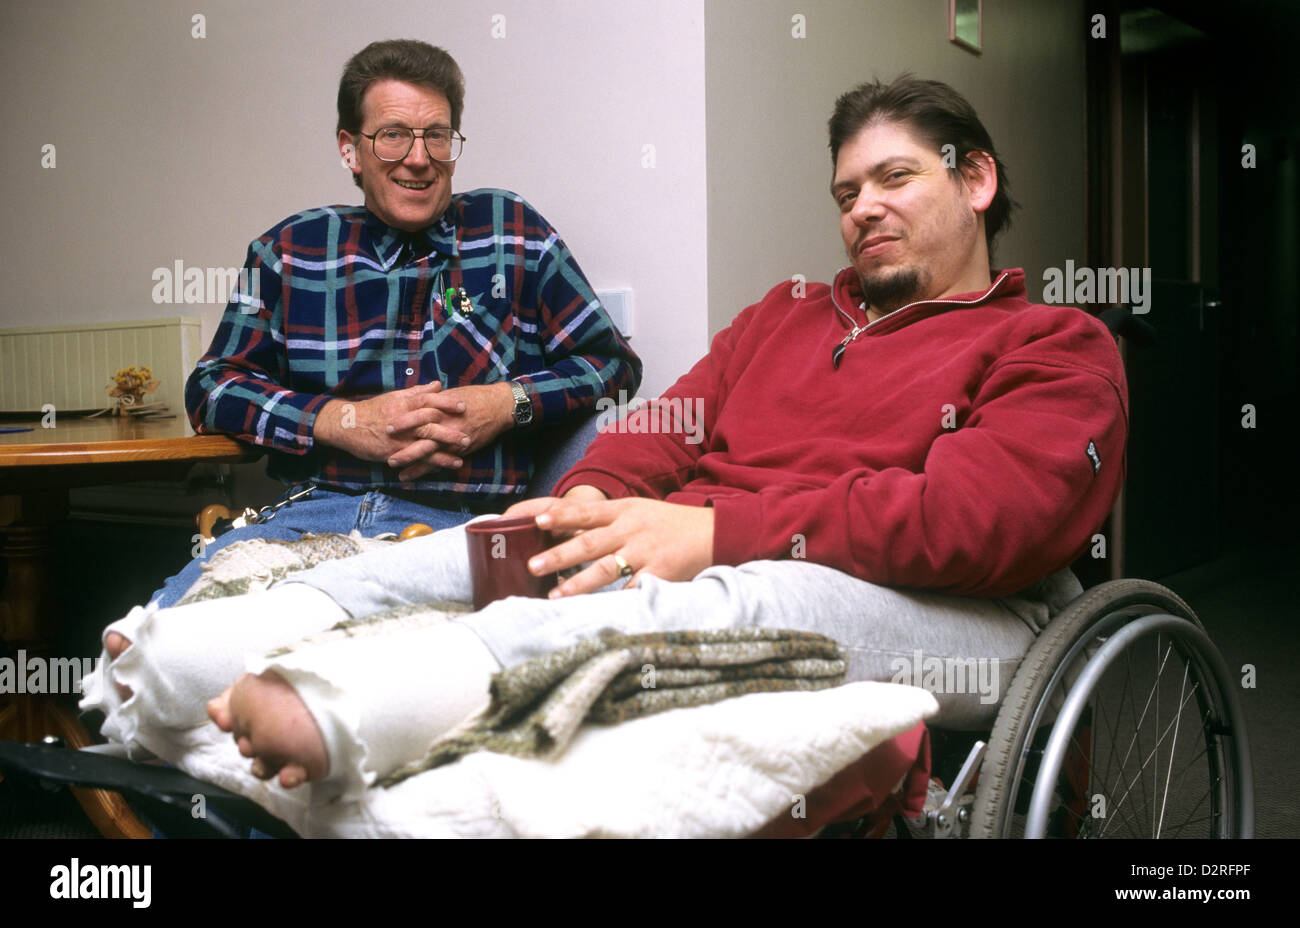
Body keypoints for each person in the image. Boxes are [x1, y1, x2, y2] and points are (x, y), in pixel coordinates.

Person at [85, 75, 1127, 803]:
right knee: (507, 539)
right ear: (351, 150)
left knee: (746, 594)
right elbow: (666, 426)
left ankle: (364, 706)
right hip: (720, 544)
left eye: (895, 179)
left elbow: (973, 523)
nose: (863, 209)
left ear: (976, 180)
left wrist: (714, 532)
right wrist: (587, 497)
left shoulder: (1053, 342)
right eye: (847, 193)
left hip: (939, 605)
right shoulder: (788, 313)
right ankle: (191, 656)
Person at [153, 39, 640, 607]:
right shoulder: (290, 250)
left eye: (437, 135)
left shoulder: (512, 231)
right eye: (393, 135)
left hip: (462, 529)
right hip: (307, 523)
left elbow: (613, 366)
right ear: (350, 150)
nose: (419, 157)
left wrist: (507, 403)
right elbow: (212, 390)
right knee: (159, 639)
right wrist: (338, 421)